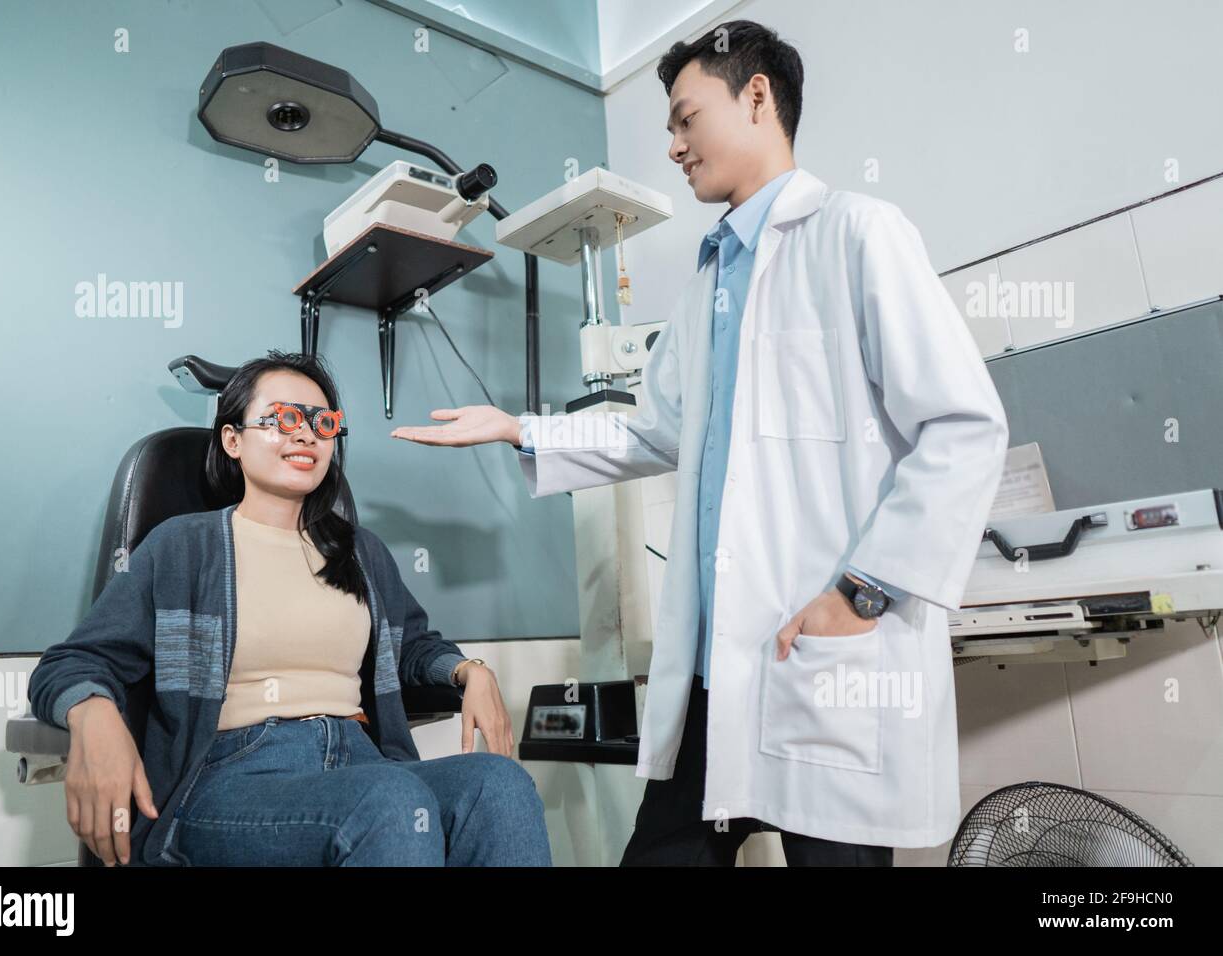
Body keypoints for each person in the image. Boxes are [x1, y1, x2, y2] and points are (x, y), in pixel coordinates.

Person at [390, 19, 1009, 866]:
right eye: (671, 130)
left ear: (757, 97)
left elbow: (964, 426)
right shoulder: (708, 285)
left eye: (686, 119)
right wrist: (517, 426)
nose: (675, 146)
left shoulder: (857, 234)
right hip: (720, 682)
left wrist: (864, 591)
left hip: (823, 656)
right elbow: (654, 429)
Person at [28, 350, 551, 867]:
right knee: (390, 800)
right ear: (233, 440)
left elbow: (412, 646)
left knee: (498, 785)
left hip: (362, 762)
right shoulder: (185, 547)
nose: (306, 434)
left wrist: (469, 671)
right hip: (235, 778)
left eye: (323, 423)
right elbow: (73, 662)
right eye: (283, 419)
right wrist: (94, 716)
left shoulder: (359, 551)